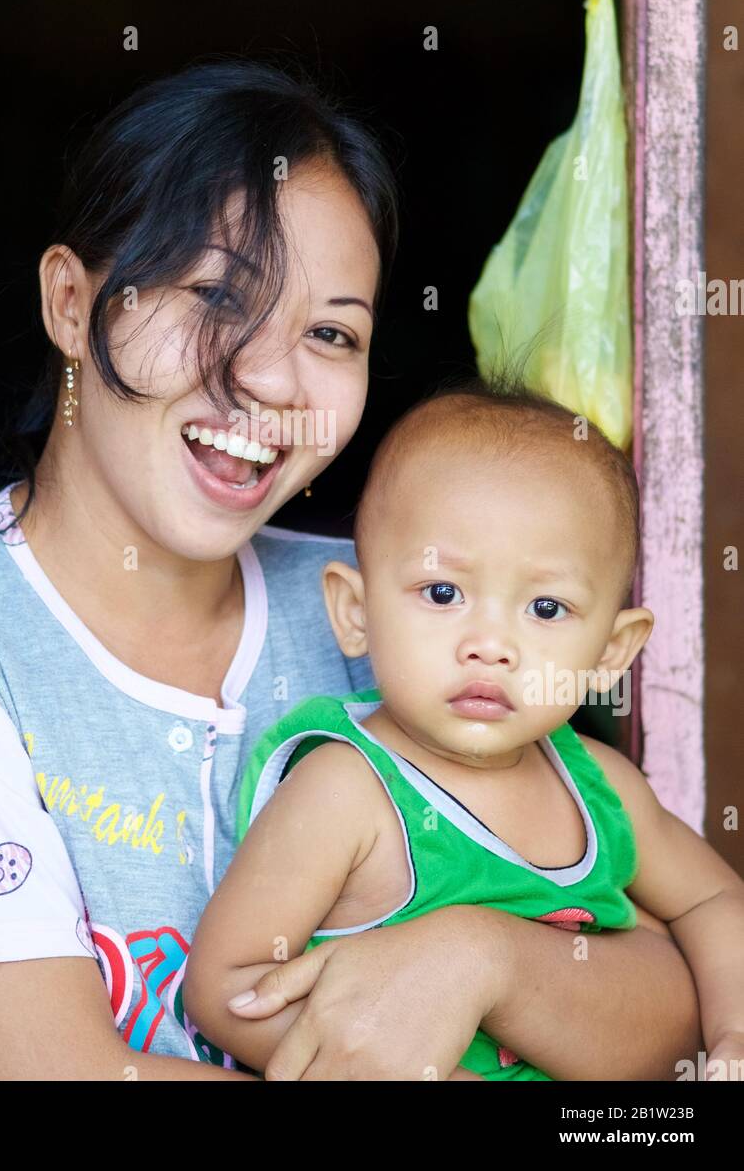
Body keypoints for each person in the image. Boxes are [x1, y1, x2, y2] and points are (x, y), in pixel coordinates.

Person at [0, 61, 700, 1081]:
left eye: (331, 332)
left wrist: (485, 956)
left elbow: (667, 993)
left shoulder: (406, 616)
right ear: (70, 300)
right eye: (217, 297)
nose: (272, 379)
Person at [184, 382, 744, 1080]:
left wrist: (733, 1036)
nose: (491, 644)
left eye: (545, 606)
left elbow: (715, 898)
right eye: (443, 593)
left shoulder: (603, 790)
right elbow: (224, 986)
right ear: (355, 612)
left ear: (611, 652)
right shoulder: (346, 790)